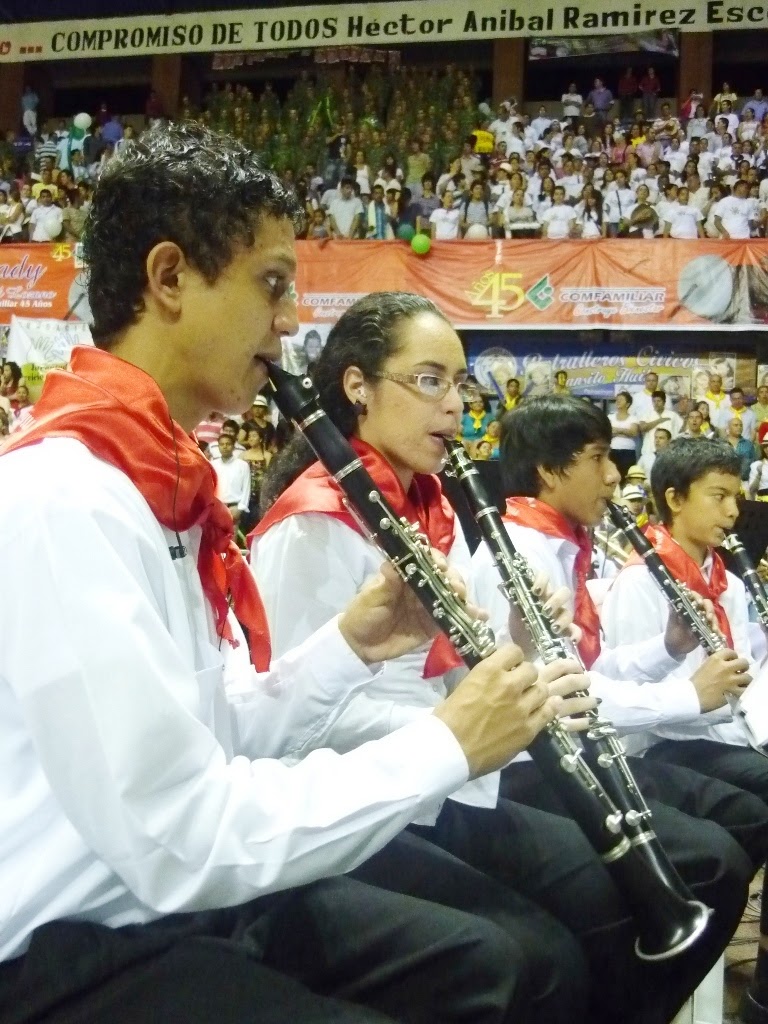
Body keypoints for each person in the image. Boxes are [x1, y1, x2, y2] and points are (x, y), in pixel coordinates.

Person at [0, 121, 582, 1024]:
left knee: (495, 966)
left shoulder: (155, 480)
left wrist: (349, 645)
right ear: (168, 280)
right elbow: (179, 832)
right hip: (77, 945)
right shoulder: (63, 495)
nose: (289, 322)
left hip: (167, 902)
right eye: (272, 286)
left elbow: (216, 736)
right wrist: (444, 746)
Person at [252, 292, 742, 1024]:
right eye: (429, 381)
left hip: (445, 781)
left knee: (612, 915)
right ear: (358, 388)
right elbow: (298, 720)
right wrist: (466, 727)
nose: (453, 405)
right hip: (381, 801)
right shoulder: (315, 525)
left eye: (458, 383)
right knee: (543, 958)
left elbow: (450, 676)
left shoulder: (425, 508)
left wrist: (514, 651)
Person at [468, 396, 768, 1020]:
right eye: (599, 458)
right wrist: (688, 695)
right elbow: (551, 696)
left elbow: (590, 676)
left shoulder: (565, 545)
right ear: (549, 472)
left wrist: (666, 652)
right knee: (715, 859)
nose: (614, 477)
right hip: (524, 768)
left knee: (728, 839)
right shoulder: (516, 554)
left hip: (575, 747)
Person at [211, 432, 251, 526]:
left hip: (234, 508)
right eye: (222, 444)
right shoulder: (213, 464)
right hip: (217, 507)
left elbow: (246, 489)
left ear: (233, 447)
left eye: (228, 444)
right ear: (218, 446)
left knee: (232, 539)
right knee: (216, 539)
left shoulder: (242, 465)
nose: (225, 447)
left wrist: (240, 508)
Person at [609, 391, 640, 482]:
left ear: (628, 404)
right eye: (617, 400)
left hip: (628, 452)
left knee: (626, 478)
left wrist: (617, 430)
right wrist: (625, 431)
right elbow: (608, 432)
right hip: (612, 450)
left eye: (621, 400)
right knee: (613, 477)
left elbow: (633, 433)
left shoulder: (633, 418)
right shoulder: (610, 417)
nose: (618, 401)